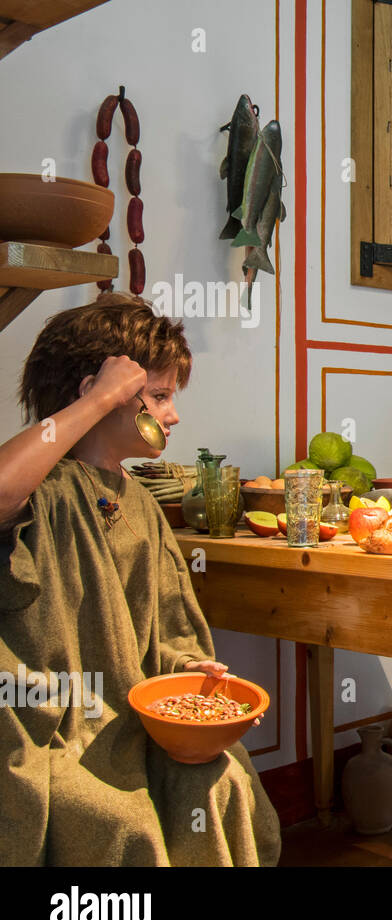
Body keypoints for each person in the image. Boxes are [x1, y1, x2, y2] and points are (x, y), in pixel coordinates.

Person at [0, 293, 280, 866]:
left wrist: (187, 669)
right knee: (115, 818)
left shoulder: (141, 503)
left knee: (222, 783)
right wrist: (102, 398)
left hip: (143, 723)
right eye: (156, 397)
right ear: (98, 395)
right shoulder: (43, 495)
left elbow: (166, 631)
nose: (172, 415)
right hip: (54, 731)